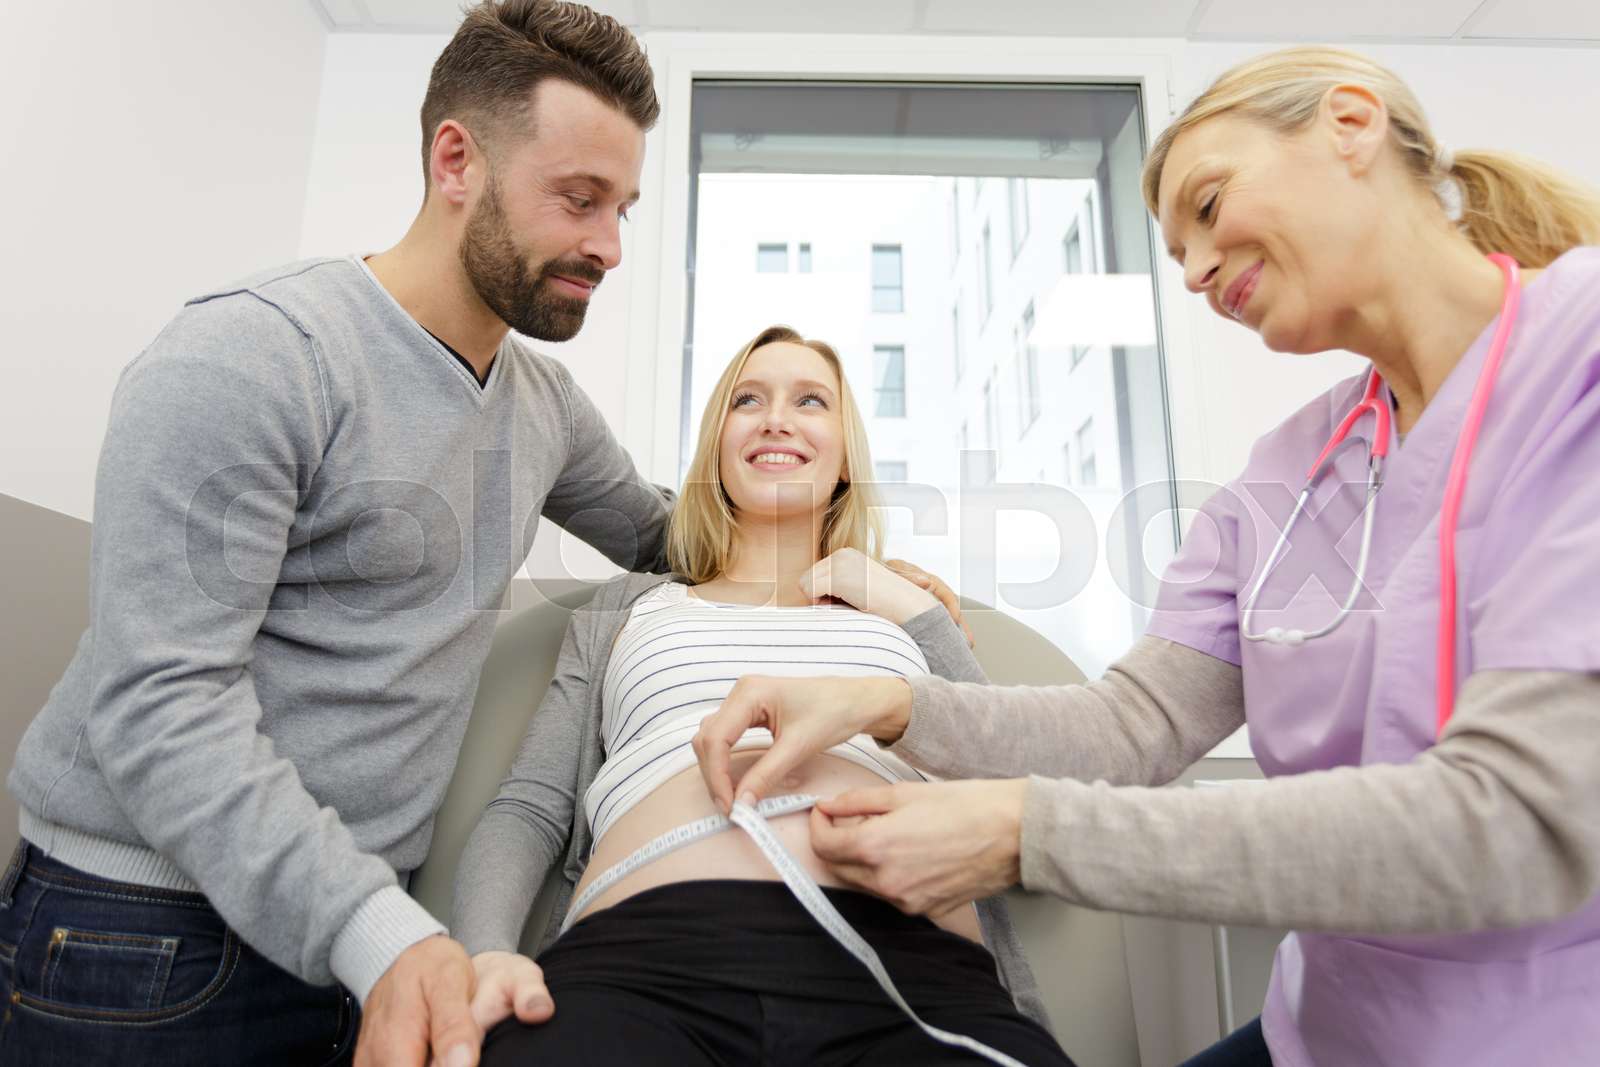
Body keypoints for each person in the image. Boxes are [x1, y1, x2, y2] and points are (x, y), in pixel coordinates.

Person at [693, 47, 1600, 1067]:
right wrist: (889, 706)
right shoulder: (1290, 476)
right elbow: (1134, 725)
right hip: (1330, 1032)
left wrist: (1024, 830)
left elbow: (1517, 819)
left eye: (1208, 208)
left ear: (1351, 124)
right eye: (1178, 256)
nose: (1201, 271)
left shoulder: (1578, 372)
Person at [1, 4, 674, 1065]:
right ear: (457, 161)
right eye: (579, 198)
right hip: (144, 937)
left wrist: (839, 561)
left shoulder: (542, 404)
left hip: (358, 937)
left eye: (623, 208)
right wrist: (379, 932)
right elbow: (159, 701)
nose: (608, 244)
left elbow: (664, 534)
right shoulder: (252, 355)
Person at [449, 325, 1074, 1066]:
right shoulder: (627, 610)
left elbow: (1024, 801)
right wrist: (483, 955)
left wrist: (913, 609)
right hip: (641, 964)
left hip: (909, 967)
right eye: (749, 399)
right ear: (719, 443)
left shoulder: (905, 614)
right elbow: (529, 807)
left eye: (810, 400)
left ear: (845, 455)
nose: (777, 417)